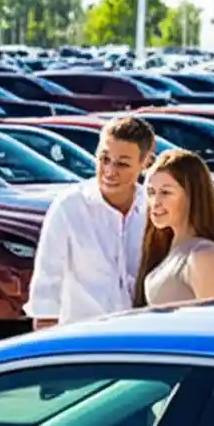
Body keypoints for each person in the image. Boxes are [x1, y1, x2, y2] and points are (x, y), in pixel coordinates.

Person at [25, 115, 156, 328]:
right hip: (83, 341)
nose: (110, 171)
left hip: (140, 338)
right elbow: (46, 289)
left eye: (122, 164)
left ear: (146, 163)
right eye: (104, 159)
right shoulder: (69, 207)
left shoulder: (154, 209)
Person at [135, 148, 214, 307]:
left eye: (165, 192)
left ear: (192, 195)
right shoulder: (171, 248)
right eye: (151, 192)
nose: (155, 202)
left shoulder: (204, 255)